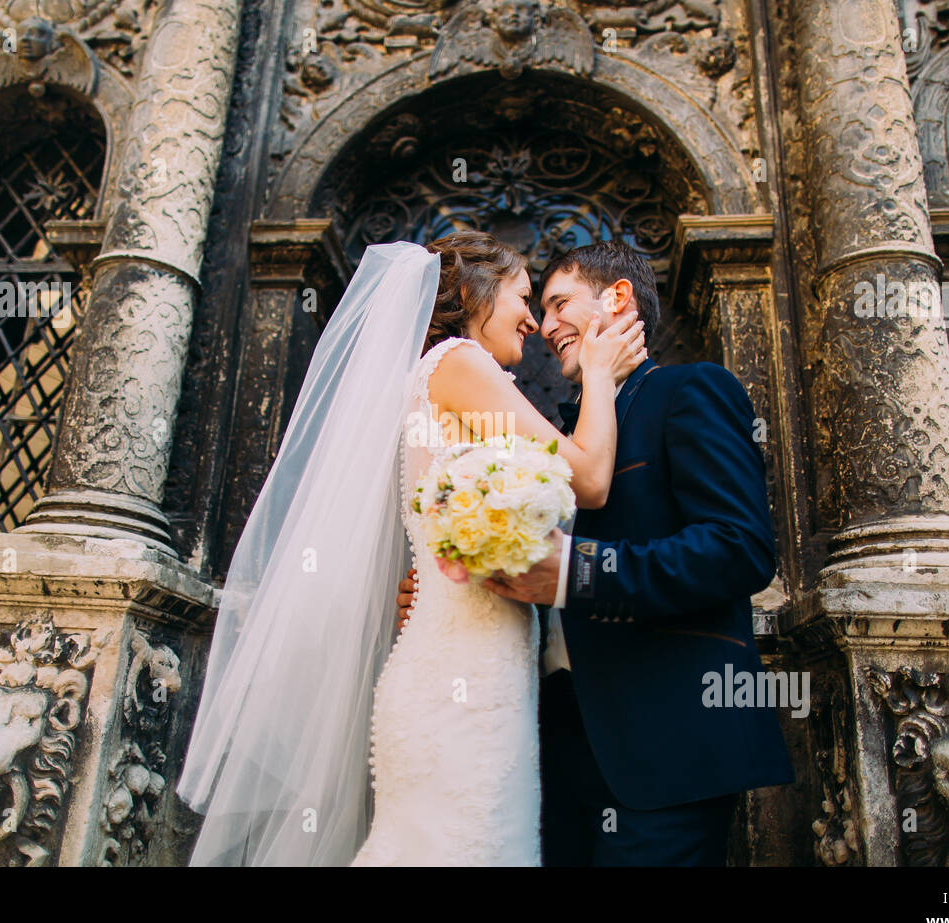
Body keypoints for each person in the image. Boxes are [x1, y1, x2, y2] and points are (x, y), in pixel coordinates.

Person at [176, 232, 645, 865]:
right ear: (475, 291)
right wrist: (599, 374)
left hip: (471, 666)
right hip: (465, 676)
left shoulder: (433, 381)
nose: (534, 321)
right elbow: (587, 478)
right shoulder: (460, 364)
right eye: (523, 296)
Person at [397, 240, 796, 865]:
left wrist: (579, 573)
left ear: (619, 298)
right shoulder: (562, 426)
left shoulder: (691, 391)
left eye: (558, 304)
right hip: (545, 742)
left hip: (662, 741)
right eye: (536, 306)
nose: (544, 327)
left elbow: (739, 547)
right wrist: (451, 579)